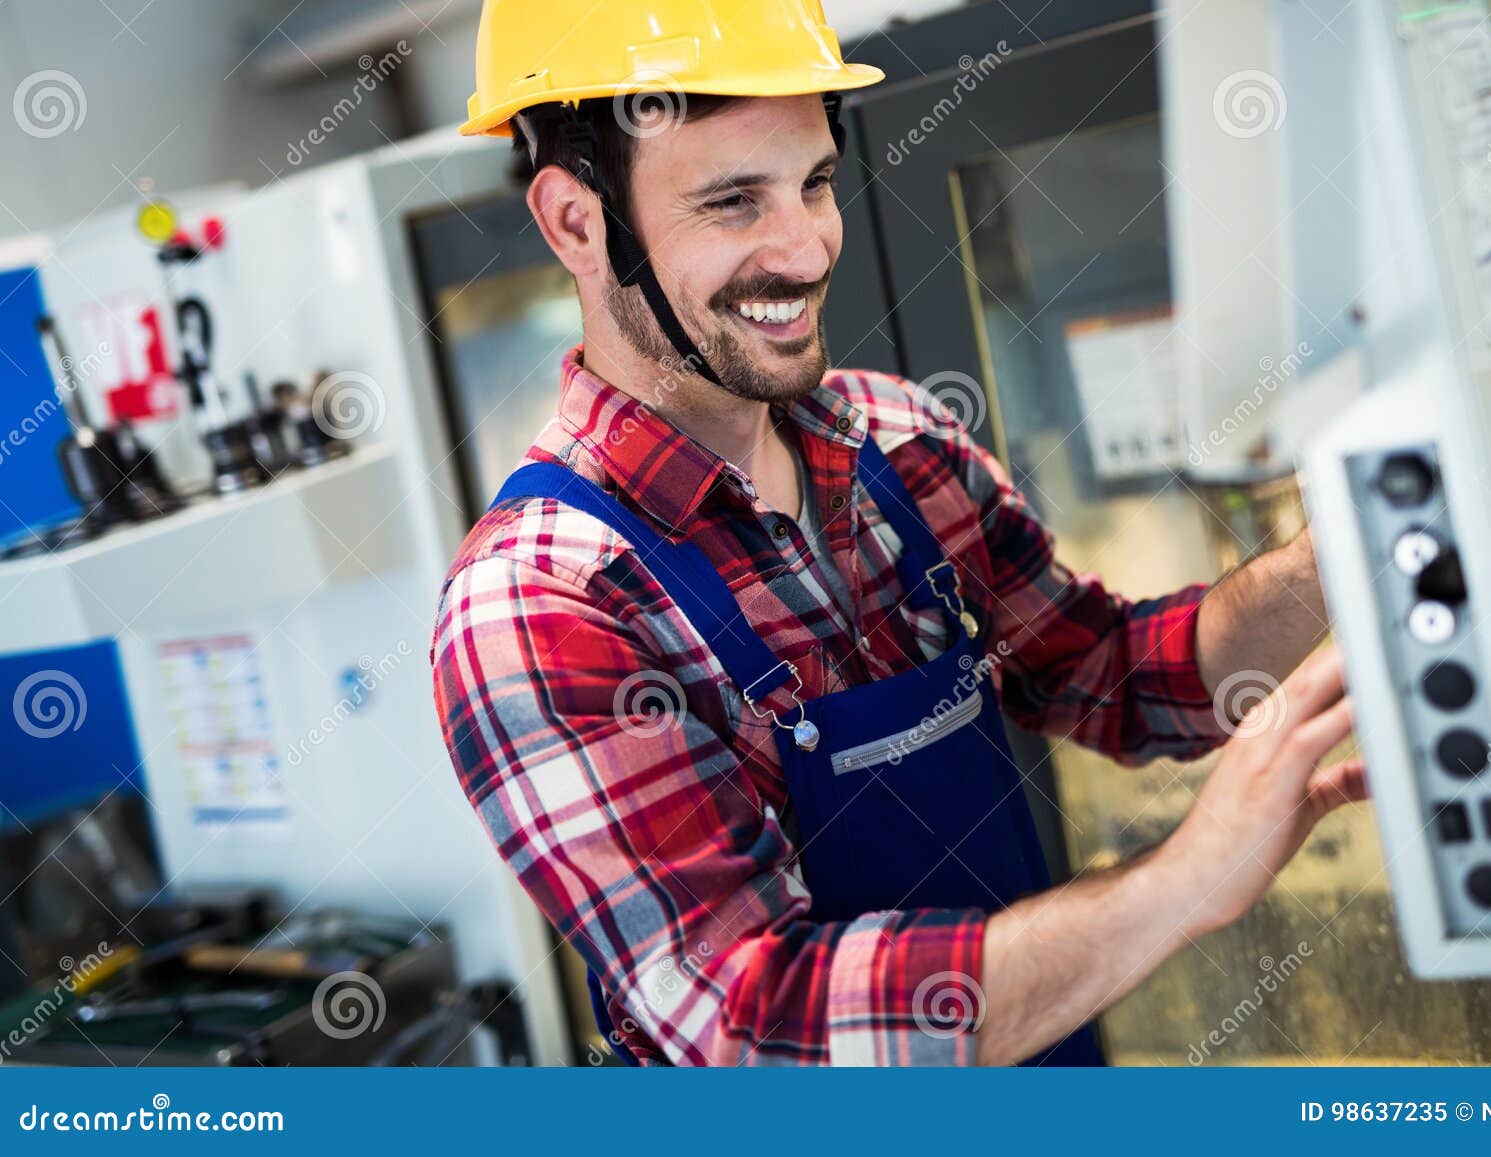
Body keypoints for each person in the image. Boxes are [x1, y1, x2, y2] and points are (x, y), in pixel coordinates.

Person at [431, 0, 1364, 1066]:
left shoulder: (900, 440)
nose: (804, 248)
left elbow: (1111, 672)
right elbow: (759, 1032)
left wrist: (1346, 551)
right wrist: (1184, 881)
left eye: (815, 183)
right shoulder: (540, 602)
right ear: (575, 222)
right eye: (733, 201)